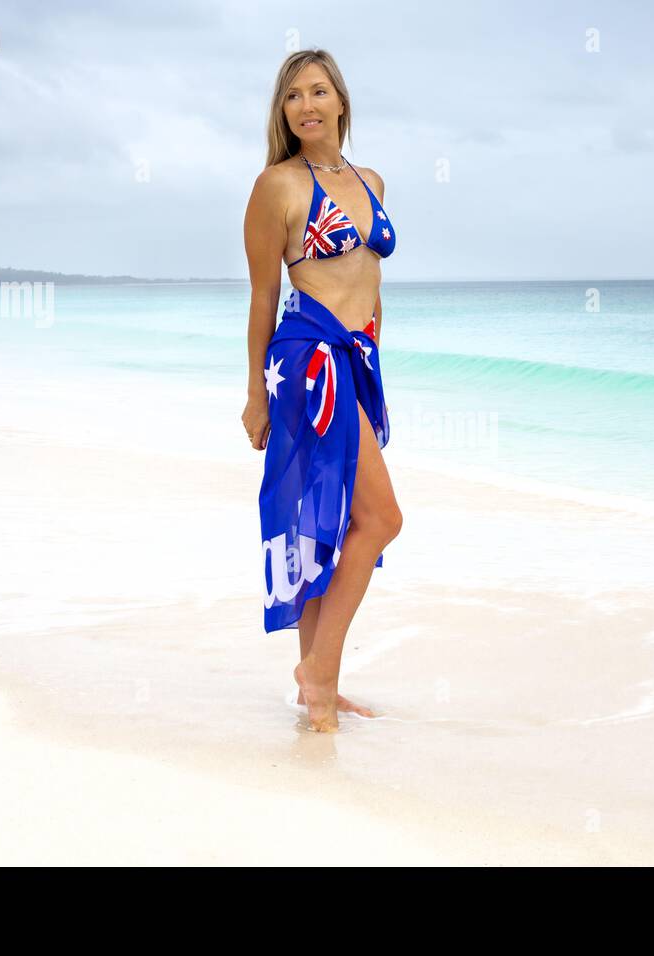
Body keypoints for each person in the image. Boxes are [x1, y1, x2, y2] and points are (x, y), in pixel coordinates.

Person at [241, 49, 403, 733]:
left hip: (354, 361)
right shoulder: (277, 185)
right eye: (292, 96)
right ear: (284, 112)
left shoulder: (371, 182)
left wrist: (374, 356)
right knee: (382, 519)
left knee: (326, 528)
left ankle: (320, 693)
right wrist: (254, 393)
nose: (306, 105)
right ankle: (320, 672)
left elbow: (372, 282)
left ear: (340, 101)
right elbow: (262, 295)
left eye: (317, 91)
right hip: (308, 361)